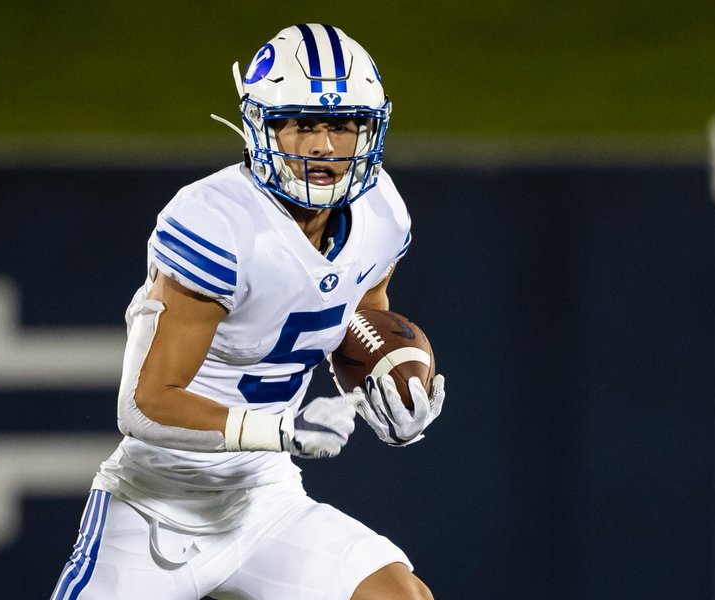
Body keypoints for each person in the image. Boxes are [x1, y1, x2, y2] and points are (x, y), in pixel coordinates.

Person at [50, 23, 446, 600]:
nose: (324, 146)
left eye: (342, 125)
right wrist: (282, 430)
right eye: (303, 123)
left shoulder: (380, 211)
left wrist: (381, 390)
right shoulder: (218, 221)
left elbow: (358, 313)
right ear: (263, 125)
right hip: (157, 505)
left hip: (265, 498)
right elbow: (144, 404)